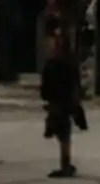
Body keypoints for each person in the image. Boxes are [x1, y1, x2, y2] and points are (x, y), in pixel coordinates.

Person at [41, 18, 87, 179]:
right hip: (62, 95)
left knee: (63, 131)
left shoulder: (59, 60)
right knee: (62, 132)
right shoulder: (62, 58)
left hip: (62, 96)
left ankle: (66, 165)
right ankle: (65, 164)